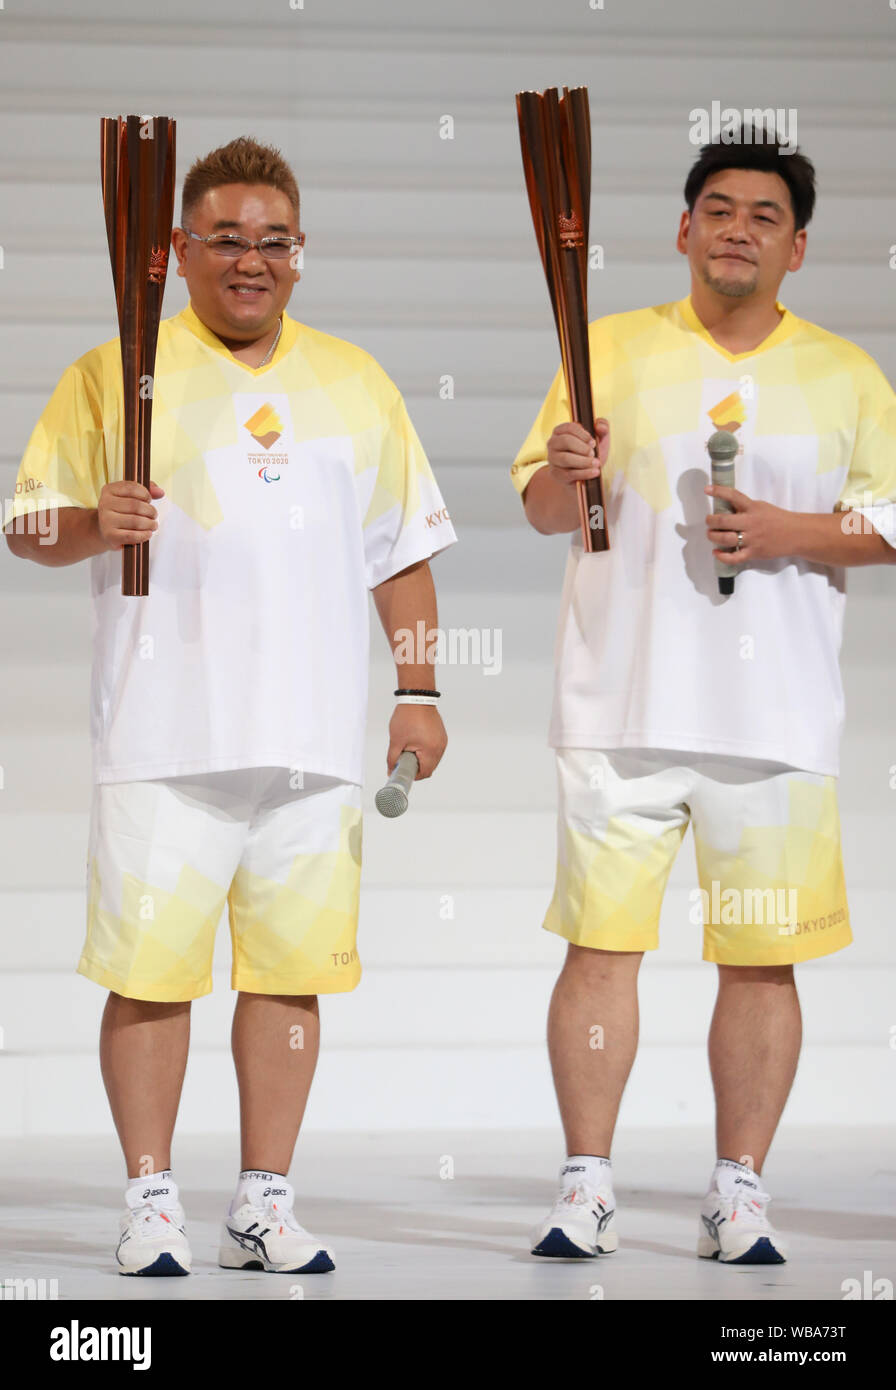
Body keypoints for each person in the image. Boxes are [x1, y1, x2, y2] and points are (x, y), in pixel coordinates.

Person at [4, 135, 457, 1277]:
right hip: (162, 736)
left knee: (288, 975)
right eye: (226, 240)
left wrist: (416, 686)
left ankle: (262, 1201)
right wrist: (94, 523)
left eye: (273, 242)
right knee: (150, 977)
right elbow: (26, 526)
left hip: (309, 743)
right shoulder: (115, 375)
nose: (250, 261)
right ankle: (151, 1198)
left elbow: (400, 555)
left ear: (298, 255)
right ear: (177, 249)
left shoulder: (354, 383)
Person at [510, 125, 896, 1265]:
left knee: (759, 960)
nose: (736, 229)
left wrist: (790, 532)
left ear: (797, 247)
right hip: (618, 706)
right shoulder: (607, 347)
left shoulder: (842, 372)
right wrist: (566, 472)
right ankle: (585, 1185)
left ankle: (738, 1191)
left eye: (761, 216)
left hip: (770, 719)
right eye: (716, 209)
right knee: (598, 952)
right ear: (684, 230)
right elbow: (539, 504)